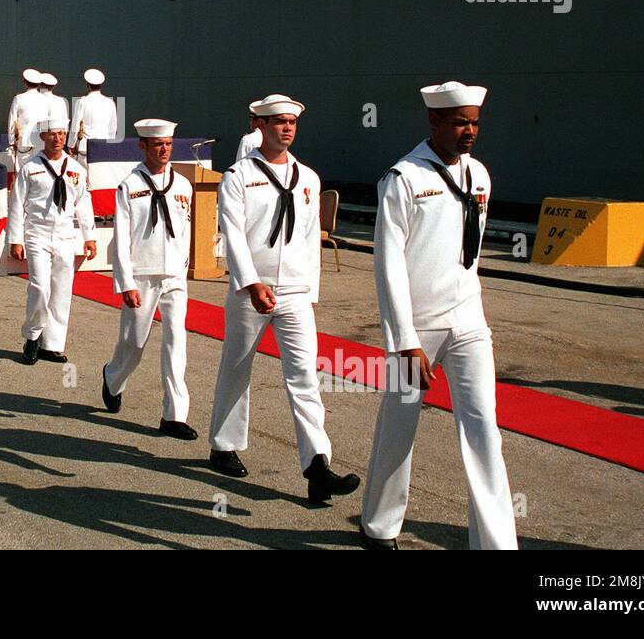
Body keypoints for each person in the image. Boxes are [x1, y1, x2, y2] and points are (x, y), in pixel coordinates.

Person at [360, 81, 517, 551]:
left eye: (475, 123)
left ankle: (495, 544)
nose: (469, 131)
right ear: (434, 122)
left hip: (468, 319)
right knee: (400, 424)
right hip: (417, 325)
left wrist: (472, 306)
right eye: (459, 123)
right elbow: (387, 263)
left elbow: (470, 255)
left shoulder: (480, 176)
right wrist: (402, 338)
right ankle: (381, 525)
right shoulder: (403, 178)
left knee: (484, 426)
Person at [207, 94, 361, 506]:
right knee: (237, 367)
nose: (286, 128)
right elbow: (233, 235)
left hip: (293, 291)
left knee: (305, 376)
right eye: (278, 121)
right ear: (259, 125)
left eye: (292, 121)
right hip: (249, 291)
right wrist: (251, 283)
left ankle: (317, 465)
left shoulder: (308, 178)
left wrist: (310, 290)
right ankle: (223, 444)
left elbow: (311, 239)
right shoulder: (239, 175)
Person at [101, 119, 196, 439]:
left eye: (168, 143)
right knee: (134, 343)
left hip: (174, 276)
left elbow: (185, 230)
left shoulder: (184, 186)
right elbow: (121, 237)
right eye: (157, 144)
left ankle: (174, 415)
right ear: (143, 146)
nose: (164, 149)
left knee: (175, 341)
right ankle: (113, 378)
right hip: (141, 274)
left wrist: (183, 267)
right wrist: (125, 282)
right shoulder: (129, 186)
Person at [8, 118, 97, 364]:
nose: (57, 139)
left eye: (61, 134)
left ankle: (52, 344)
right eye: (52, 134)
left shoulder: (77, 169)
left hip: (65, 235)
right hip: (37, 232)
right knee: (40, 286)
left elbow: (83, 203)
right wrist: (15, 239)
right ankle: (33, 335)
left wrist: (89, 237)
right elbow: (17, 204)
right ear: (42, 137)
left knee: (61, 289)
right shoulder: (30, 167)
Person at [68, 67, 118, 155]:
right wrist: (110, 145)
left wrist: (71, 144)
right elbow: (112, 128)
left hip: (86, 148)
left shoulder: (82, 101)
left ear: (88, 85)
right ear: (101, 86)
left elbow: (75, 126)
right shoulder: (110, 103)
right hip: (104, 146)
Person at [7, 68, 46, 158]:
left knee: (22, 169)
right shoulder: (45, 99)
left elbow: (12, 122)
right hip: (41, 140)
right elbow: (47, 122)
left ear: (25, 82)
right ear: (39, 84)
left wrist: (11, 142)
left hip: (24, 140)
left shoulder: (19, 98)